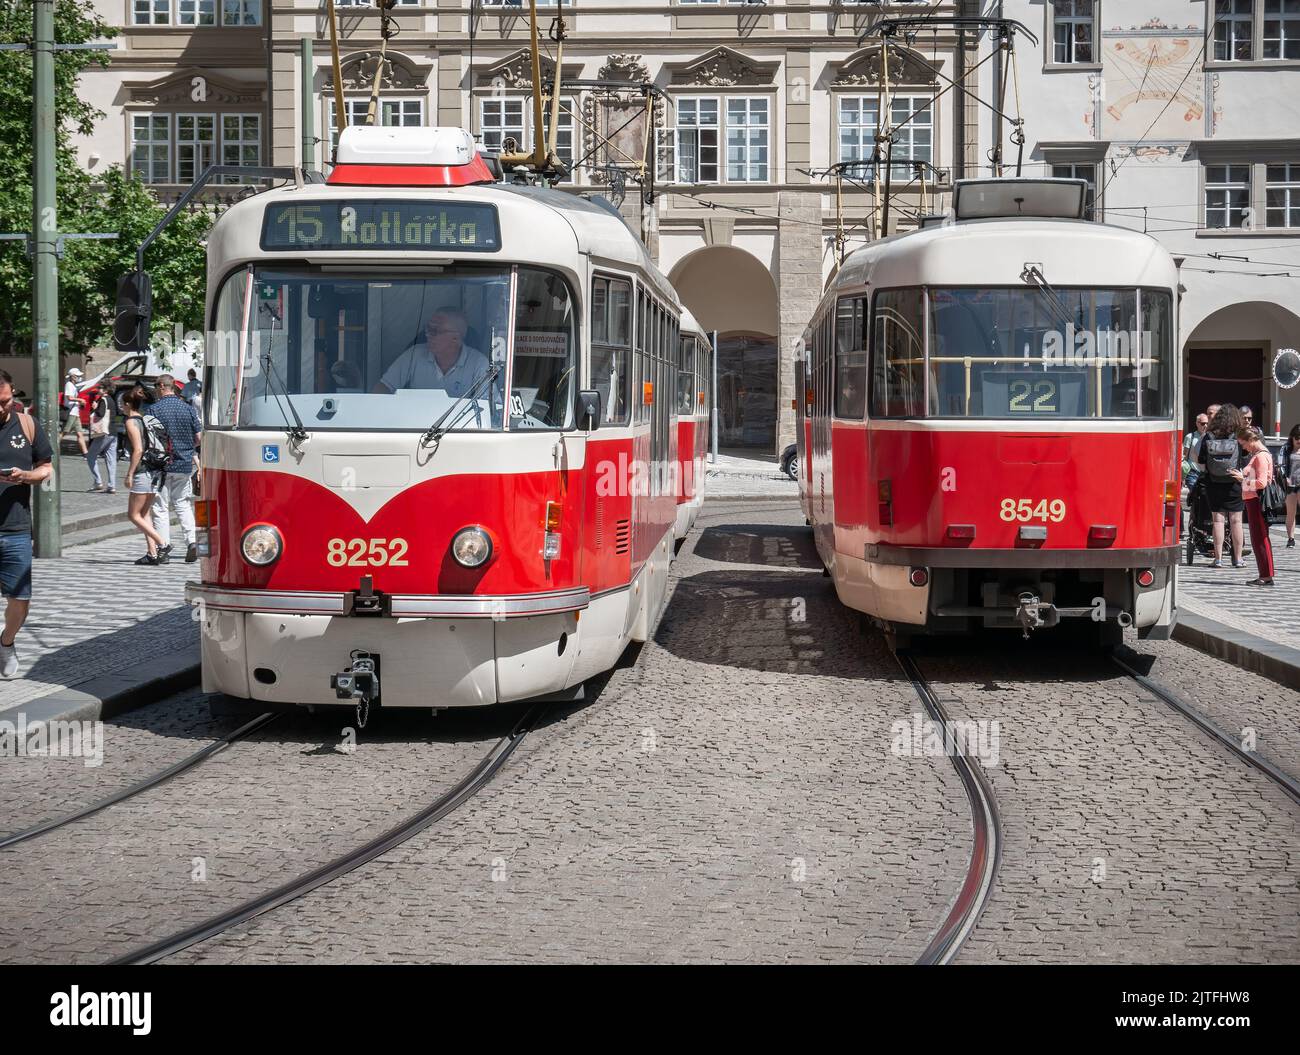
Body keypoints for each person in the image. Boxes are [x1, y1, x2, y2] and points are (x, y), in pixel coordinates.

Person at [0, 370, 53, 678]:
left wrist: (26, 476)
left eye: (6, 401)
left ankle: (6, 642)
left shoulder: (28, 425)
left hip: (16, 528)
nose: (2, 408)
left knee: (21, 599)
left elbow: (45, 467)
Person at [147, 374, 202, 563]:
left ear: (162, 386)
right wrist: (187, 448)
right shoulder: (188, 409)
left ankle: (164, 547)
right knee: (182, 503)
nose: (155, 389)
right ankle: (192, 542)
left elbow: (150, 438)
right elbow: (199, 438)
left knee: (160, 507)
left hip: (162, 465)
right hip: (184, 463)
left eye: (156, 386)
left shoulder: (154, 409)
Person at [373, 309, 489, 396]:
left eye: (435, 331)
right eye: (428, 329)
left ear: (455, 338)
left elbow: (487, 406)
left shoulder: (478, 363)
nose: (428, 335)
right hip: (414, 425)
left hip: (459, 427)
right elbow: (383, 387)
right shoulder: (414, 355)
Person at [1196, 403, 1246, 568]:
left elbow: (1201, 460)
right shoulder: (1238, 436)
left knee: (1218, 521)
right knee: (1236, 521)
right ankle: (1238, 559)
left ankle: (1218, 559)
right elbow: (1245, 455)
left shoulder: (1209, 436)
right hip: (1234, 481)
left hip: (1214, 482)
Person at [123, 386, 168, 565]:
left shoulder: (131, 422)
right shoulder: (144, 419)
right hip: (155, 469)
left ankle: (162, 544)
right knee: (144, 513)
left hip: (142, 471)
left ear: (127, 404)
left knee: (133, 515)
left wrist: (130, 473)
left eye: (122, 404)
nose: (121, 407)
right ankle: (152, 553)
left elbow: (138, 450)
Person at [1233, 426, 1276, 587]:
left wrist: (1241, 479)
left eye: (1243, 443)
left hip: (1256, 501)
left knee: (1260, 538)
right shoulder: (1259, 455)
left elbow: (1262, 483)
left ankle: (1266, 575)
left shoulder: (1260, 457)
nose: (1243, 447)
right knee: (1259, 537)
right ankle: (1265, 574)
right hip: (1253, 500)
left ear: (1251, 440)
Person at [84, 391, 117, 494]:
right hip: (113, 432)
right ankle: (112, 485)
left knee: (90, 456)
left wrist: (95, 407)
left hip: (104, 432)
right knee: (111, 459)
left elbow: (101, 413)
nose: (99, 390)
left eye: (101, 387)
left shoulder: (103, 399)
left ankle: (98, 482)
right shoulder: (112, 399)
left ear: (105, 389)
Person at [1278, 423, 1300, 549]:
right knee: (1291, 513)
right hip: (1291, 484)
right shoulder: (1286, 449)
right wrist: (1284, 477)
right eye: (1296, 437)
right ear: (1292, 437)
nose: (1298, 440)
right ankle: (1291, 538)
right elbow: (1280, 464)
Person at [61, 367, 88, 456]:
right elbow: (69, 397)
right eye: (78, 376)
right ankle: (51, 448)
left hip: (75, 413)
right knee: (64, 432)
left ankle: (86, 453)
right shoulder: (69, 385)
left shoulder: (73, 386)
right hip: (71, 413)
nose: (80, 377)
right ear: (72, 376)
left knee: (80, 433)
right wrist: (80, 400)